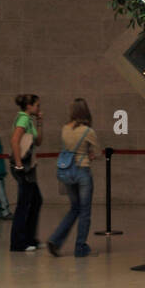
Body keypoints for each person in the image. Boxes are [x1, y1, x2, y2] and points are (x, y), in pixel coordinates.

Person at [47, 99, 99, 258]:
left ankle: (55, 240)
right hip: (82, 171)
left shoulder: (64, 129)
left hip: (67, 171)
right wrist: (90, 153)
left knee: (74, 208)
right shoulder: (88, 131)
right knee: (84, 211)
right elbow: (98, 153)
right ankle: (80, 247)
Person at [10, 93, 43, 252]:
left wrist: (40, 122)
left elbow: (38, 141)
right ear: (29, 106)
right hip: (23, 165)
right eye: (37, 105)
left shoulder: (29, 120)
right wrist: (18, 164)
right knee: (24, 203)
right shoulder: (23, 119)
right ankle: (18, 242)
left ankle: (30, 239)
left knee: (36, 200)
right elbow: (15, 140)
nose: (39, 108)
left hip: (29, 165)